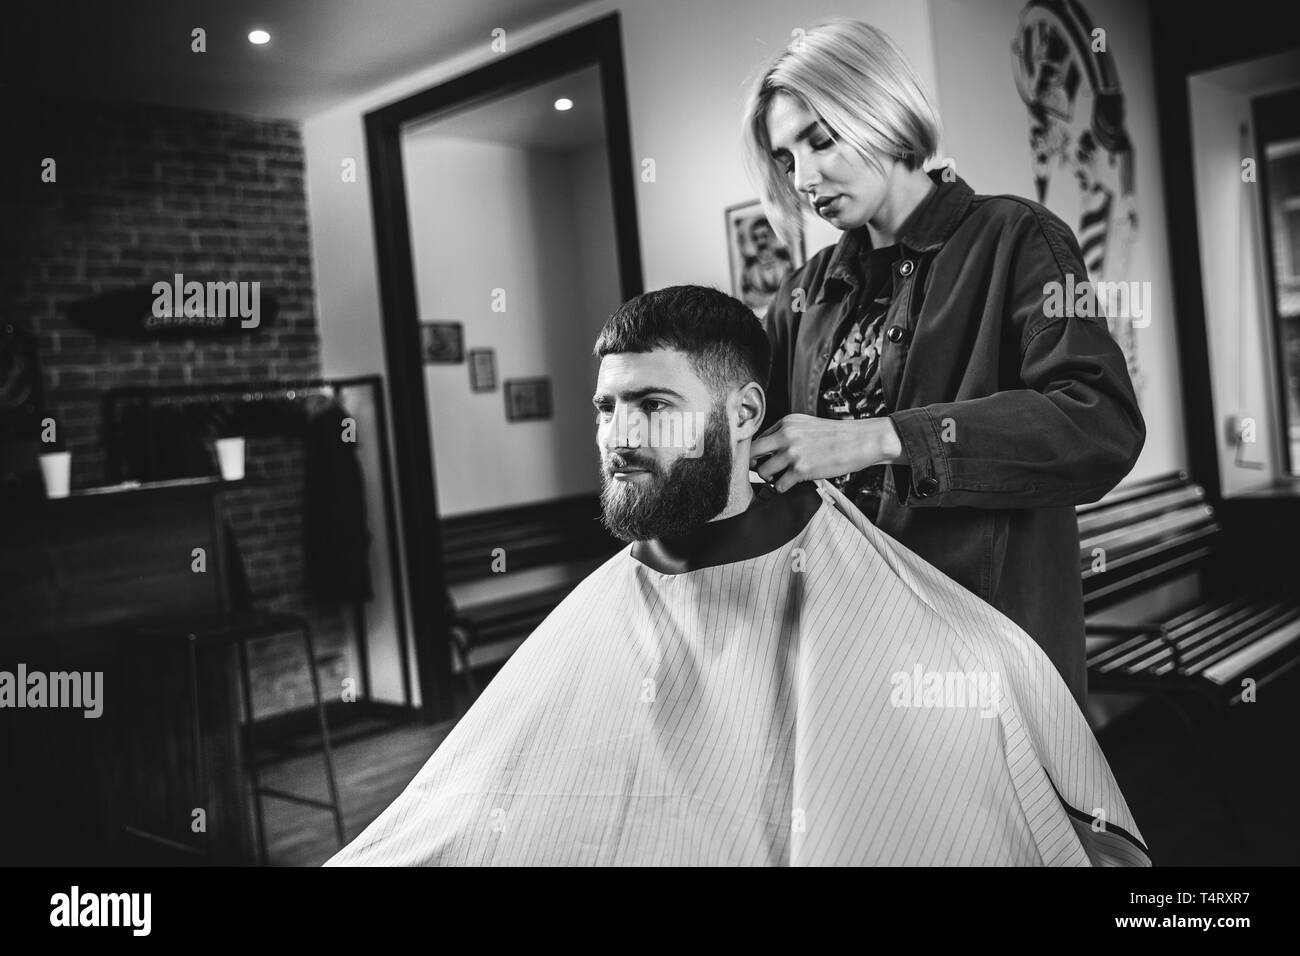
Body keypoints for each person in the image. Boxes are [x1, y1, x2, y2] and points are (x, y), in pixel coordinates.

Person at [325, 286, 1149, 866]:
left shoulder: (910, 625)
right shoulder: (599, 611)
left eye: (652, 405)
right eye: (606, 408)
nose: (618, 435)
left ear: (746, 414)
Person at [740, 19, 1146, 709]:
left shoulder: (1021, 238)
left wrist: (880, 437)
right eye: (785, 158)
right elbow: (759, 447)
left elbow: (1100, 426)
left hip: (979, 661)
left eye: (821, 139)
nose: (804, 178)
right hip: (842, 653)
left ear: (883, 112)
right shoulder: (802, 292)